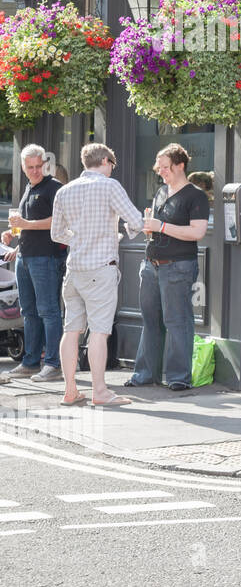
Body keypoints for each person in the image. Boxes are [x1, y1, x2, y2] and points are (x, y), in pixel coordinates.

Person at [50, 143, 144, 408]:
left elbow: (56, 234)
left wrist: (80, 238)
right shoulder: (109, 186)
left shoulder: (64, 190)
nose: (112, 170)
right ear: (104, 160)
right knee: (99, 333)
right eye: (112, 165)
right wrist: (118, 234)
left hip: (74, 269)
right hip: (100, 268)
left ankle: (70, 391)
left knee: (71, 330)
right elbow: (136, 220)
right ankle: (100, 392)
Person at [127, 144, 210, 391]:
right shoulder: (161, 192)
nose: (161, 171)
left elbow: (198, 232)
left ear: (180, 165)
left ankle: (178, 378)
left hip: (178, 266)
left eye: (166, 167)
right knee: (150, 321)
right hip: (151, 264)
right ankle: (144, 375)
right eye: (159, 167)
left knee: (177, 322)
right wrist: (147, 226)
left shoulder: (195, 195)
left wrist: (160, 226)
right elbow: (157, 225)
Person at [1, 144, 65, 382]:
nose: (36, 171)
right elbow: (29, 224)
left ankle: (53, 363)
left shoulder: (55, 187)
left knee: (48, 311)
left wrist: (26, 225)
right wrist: (13, 236)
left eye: (39, 166)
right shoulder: (29, 187)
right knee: (28, 312)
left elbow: (59, 221)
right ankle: (29, 362)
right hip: (25, 256)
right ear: (23, 167)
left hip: (46, 258)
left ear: (45, 164)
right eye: (31, 167)